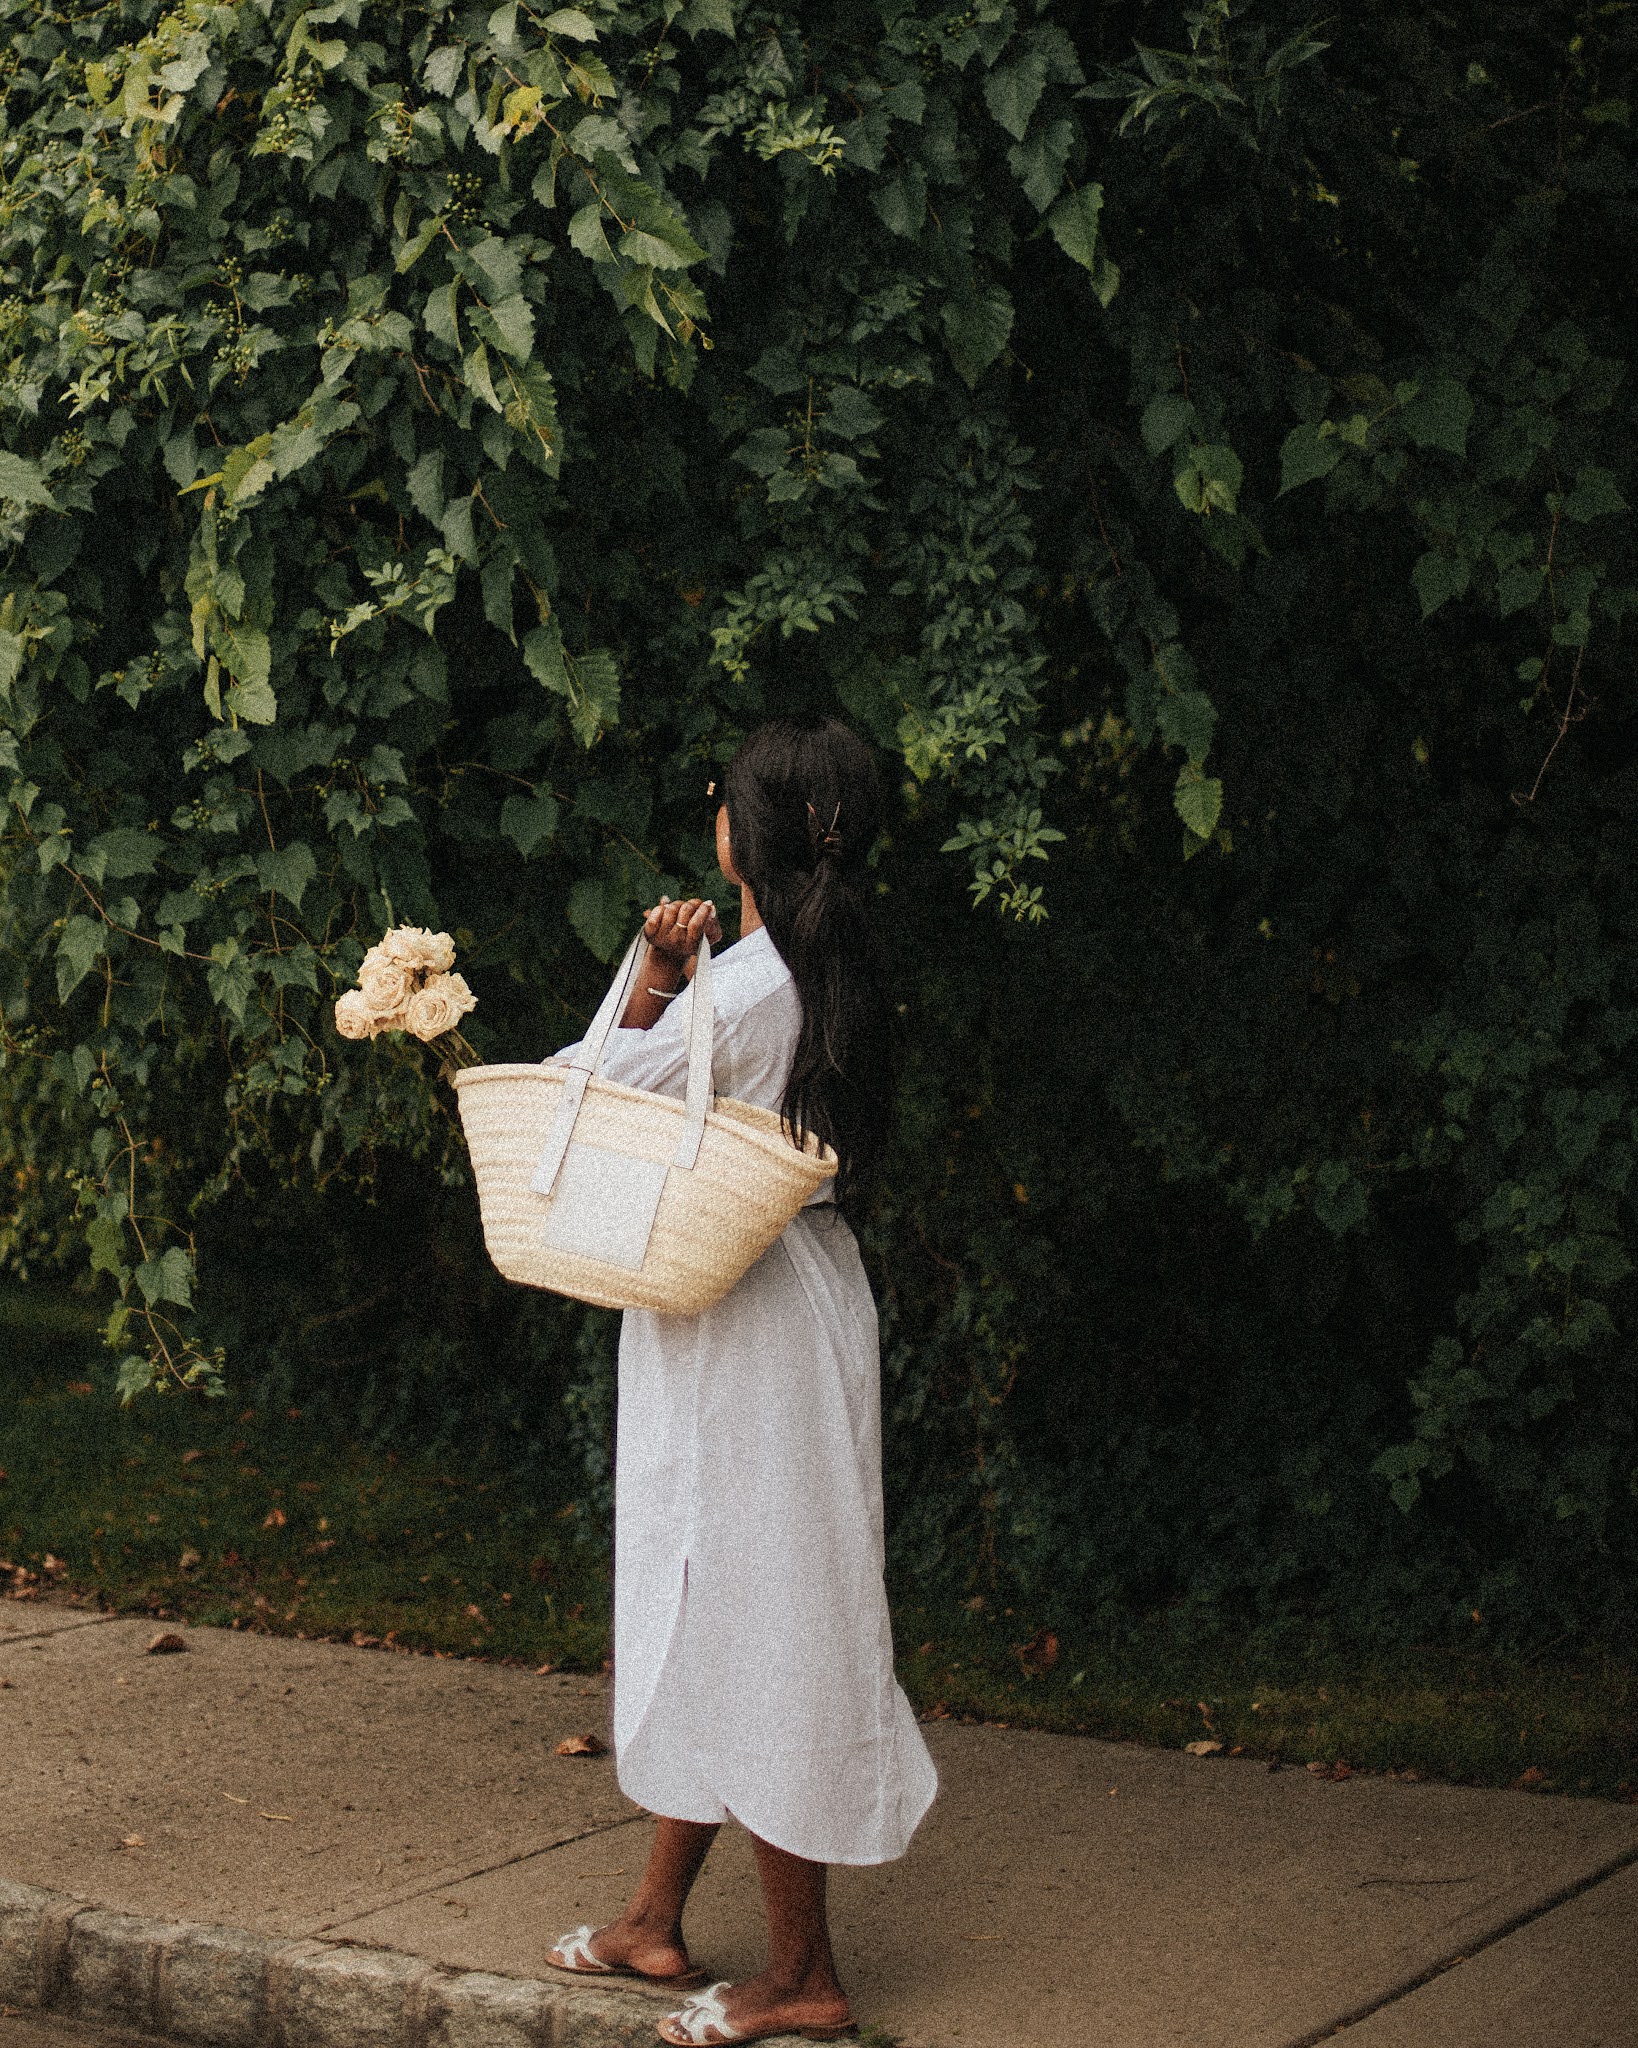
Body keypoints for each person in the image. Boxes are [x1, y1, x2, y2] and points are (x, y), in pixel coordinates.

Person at [541, 715, 938, 2047]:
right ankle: (653, 1918)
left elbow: (580, 1098)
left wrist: (651, 979)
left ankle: (802, 1973)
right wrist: (677, 974)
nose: (712, 811)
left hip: (745, 1318)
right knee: (711, 1597)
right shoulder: (816, 967)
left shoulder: (750, 989)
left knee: (761, 1610)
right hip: (775, 1299)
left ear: (744, 836)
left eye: (723, 797)